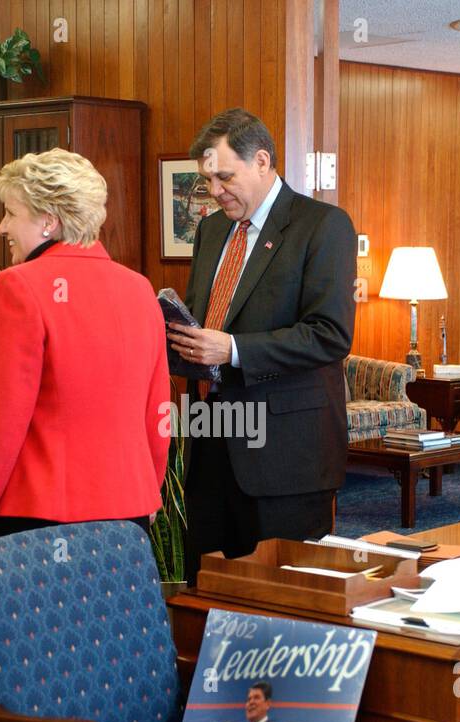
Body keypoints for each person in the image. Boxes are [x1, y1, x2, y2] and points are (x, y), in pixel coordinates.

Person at [0, 148, 169, 564]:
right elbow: (157, 410)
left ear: (48, 221)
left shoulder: (20, 286)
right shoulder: (138, 287)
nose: (1, 227)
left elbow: (0, 425)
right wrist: (149, 488)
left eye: (11, 213)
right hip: (129, 513)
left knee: (45, 632)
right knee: (112, 630)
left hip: (41, 519)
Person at [168, 109, 356, 577]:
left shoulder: (323, 226)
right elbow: (204, 317)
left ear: (262, 162)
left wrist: (232, 349)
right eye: (207, 180)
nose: (214, 192)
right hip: (209, 436)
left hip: (286, 455)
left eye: (225, 177)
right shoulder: (211, 231)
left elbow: (329, 335)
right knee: (208, 588)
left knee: (282, 599)